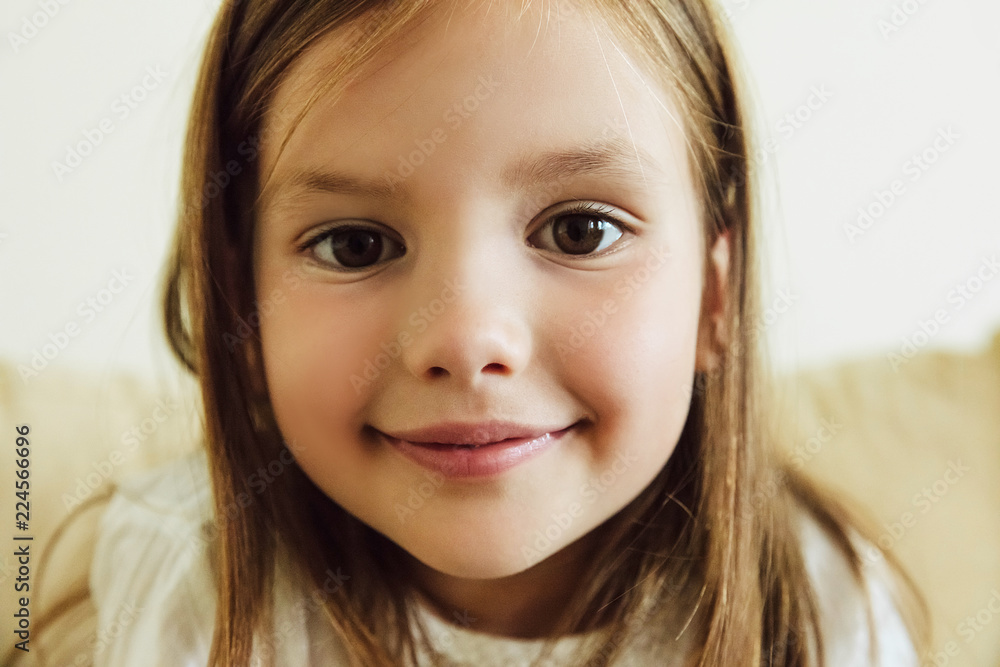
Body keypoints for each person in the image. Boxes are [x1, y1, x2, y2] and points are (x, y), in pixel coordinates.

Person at [78, 0, 930, 665]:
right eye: (355, 245)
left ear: (715, 296)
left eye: (579, 231)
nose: (464, 340)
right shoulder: (185, 575)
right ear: (243, 301)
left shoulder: (824, 610)